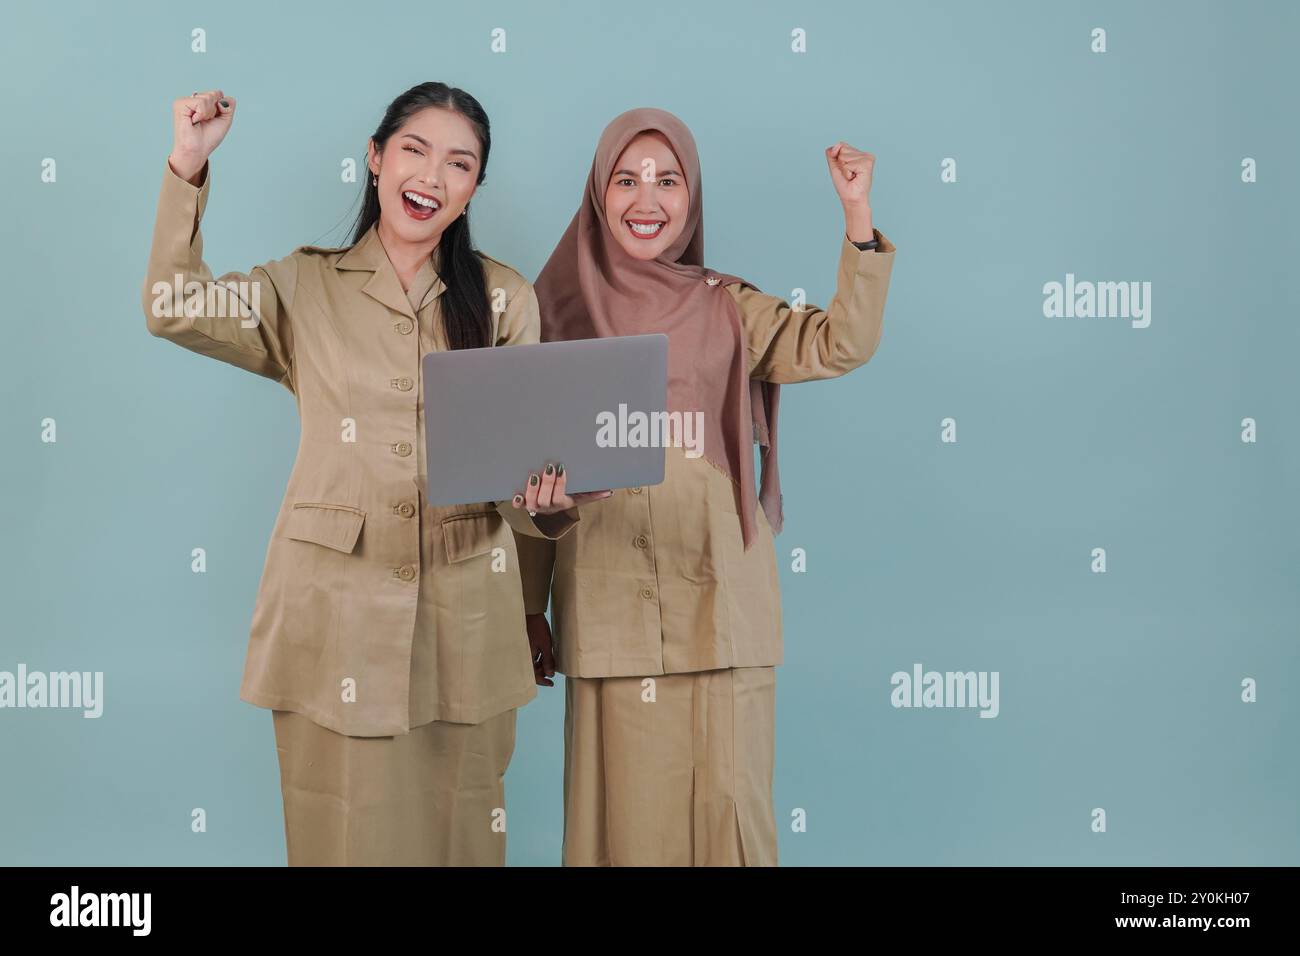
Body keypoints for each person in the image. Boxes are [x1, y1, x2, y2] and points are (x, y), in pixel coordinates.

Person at [141, 81, 608, 866]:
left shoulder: (502, 299)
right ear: (376, 157)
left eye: (460, 164)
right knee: (342, 837)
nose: (432, 177)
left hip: (465, 624)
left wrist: (552, 507)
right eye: (416, 150)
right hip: (334, 620)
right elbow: (173, 304)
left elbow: (521, 485)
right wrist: (188, 162)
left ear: (474, 188)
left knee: (461, 837)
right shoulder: (304, 284)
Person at [515, 107, 897, 866]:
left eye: (668, 181)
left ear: (692, 200)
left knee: (729, 823)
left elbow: (839, 343)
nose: (646, 199)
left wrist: (857, 217)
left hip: (724, 604)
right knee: (620, 831)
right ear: (598, 193)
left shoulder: (728, 304)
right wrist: (530, 607)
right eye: (625, 180)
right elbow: (532, 485)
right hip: (611, 611)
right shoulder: (549, 313)